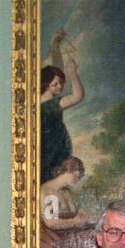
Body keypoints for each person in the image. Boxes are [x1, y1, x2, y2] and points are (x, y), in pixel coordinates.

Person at [40, 156, 99, 248]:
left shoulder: (66, 192)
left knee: (94, 236)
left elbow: (75, 215)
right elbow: (51, 223)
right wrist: (76, 221)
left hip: (67, 233)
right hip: (50, 237)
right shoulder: (48, 191)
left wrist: (87, 219)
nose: (78, 179)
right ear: (67, 171)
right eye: (77, 175)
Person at [40, 30, 85, 184]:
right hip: (52, 153)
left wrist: (54, 46)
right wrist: (72, 73)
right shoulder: (50, 105)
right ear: (47, 84)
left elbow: (56, 67)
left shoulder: (43, 101)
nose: (60, 86)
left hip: (51, 151)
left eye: (61, 82)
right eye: (56, 83)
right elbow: (78, 96)